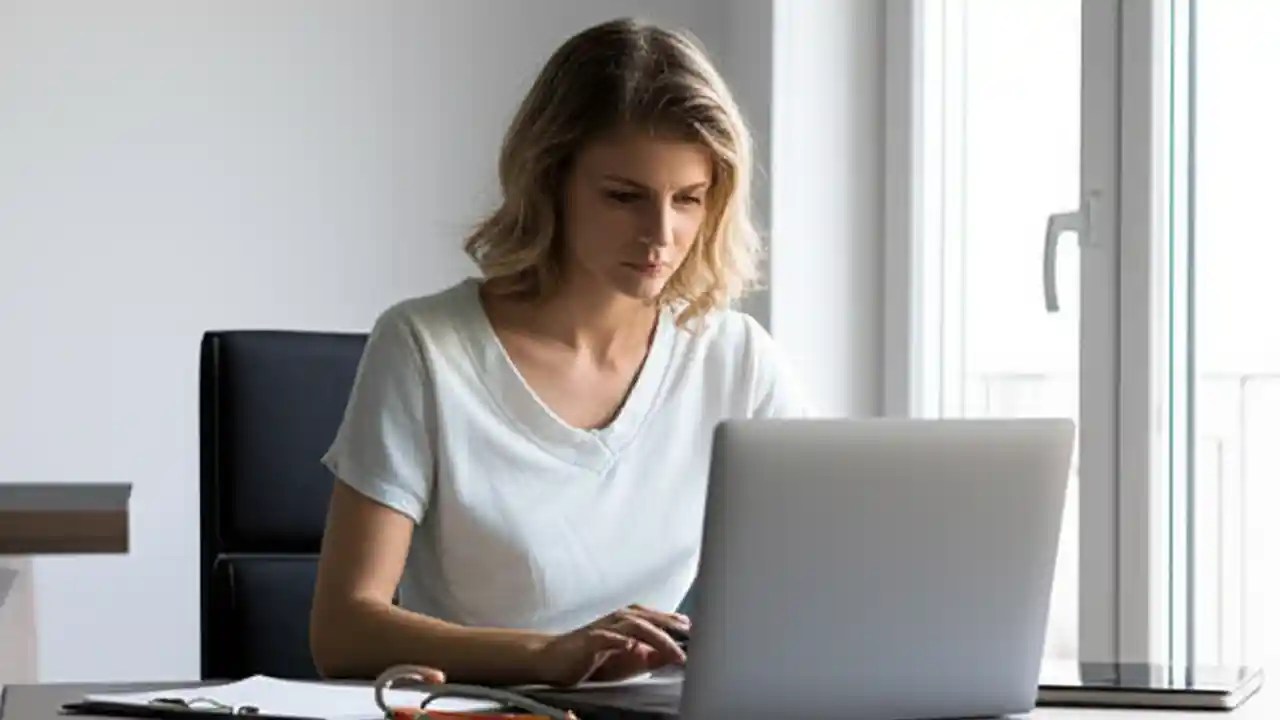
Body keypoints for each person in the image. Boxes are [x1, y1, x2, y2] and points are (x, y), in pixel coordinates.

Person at [309, 17, 806, 688]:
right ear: (551, 181)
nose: (661, 235)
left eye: (688, 200)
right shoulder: (425, 348)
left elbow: (819, 576)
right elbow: (342, 631)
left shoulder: (737, 358)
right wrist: (546, 655)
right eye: (624, 197)